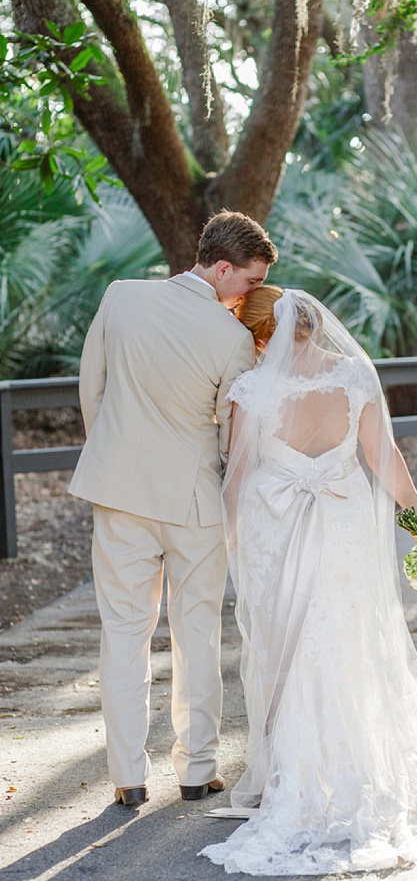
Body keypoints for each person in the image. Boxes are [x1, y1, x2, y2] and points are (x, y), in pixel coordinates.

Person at [199, 286, 417, 875]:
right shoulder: (353, 376)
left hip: (276, 525)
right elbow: (385, 456)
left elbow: (238, 475)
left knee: (286, 643)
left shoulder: (251, 389)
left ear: (261, 337)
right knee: (347, 637)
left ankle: (294, 778)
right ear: (314, 326)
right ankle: (353, 765)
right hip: (344, 522)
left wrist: (224, 541)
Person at [68, 211, 278, 809]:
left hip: (120, 492)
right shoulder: (233, 339)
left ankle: (127, 778)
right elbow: (227, 431)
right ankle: (197, 771)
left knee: (124, 634)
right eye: (250, 280)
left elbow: (93, 387)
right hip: (194, 501)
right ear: (221, 268)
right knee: (197, 635)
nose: (253, 293)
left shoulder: (121, 298)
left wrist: (116, 456)